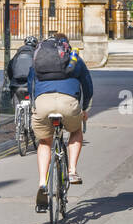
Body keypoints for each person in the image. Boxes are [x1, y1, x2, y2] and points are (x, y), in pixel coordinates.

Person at [27, 34, 94, 210]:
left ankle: (42, 183)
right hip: (68, 103)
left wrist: (35, 104)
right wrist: (84, 109)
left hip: (42, 103)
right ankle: (72, 171)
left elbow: (30, 83)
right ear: (66, 46)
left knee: (44, 142)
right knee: (76, 130)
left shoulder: (39, 58)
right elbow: (88, 85)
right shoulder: (74, 58)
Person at [5, 36, 38, 105]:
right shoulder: (36, 55)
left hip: (17, 85)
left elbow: (10, 69)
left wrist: (12, 81)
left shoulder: (17, 55)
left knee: (19, 102)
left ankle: (18, 113)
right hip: (31, 84)